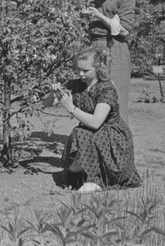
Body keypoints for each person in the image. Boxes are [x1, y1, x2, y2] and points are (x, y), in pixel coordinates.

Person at [44, 46, 141, 193]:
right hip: (91, 133)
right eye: (78, 69)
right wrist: (52, 93)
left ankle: (95, 180)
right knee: (81, 134)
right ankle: (86, 177)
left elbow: (96, 123)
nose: (81, 74)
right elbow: (46, 104)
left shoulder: (106, 89)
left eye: (85, 70)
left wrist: (71, 108)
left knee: (82, 132)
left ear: (97, 68)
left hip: (112, 136)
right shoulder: (76, 85)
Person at [82, 0, 135, 120]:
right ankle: (98, 137)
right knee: (94, 92)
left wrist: (98, 16)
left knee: (116, 94)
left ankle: (120, 138)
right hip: (94, 45)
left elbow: (124, 31)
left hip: (114, 46)